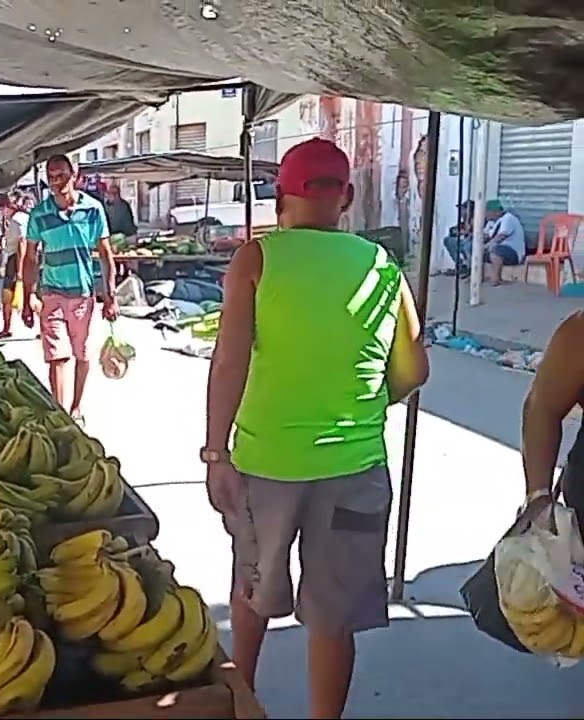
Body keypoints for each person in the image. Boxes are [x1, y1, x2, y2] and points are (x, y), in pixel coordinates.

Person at [203, 138, 429, 719]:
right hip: (355, 468)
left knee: (252, 595)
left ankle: (240, 702)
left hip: (267, 463)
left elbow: (230, 361)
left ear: (282, 195)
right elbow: (412, 370)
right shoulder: (381, 265)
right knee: (332, 617)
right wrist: (364, 399)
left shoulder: (256, 258)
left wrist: (215, 453)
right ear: (347, 197)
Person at [22, 154, 119, 424]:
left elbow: (105, 253)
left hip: (83, 293)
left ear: (74, 174)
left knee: (82, 354)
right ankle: (59, 411)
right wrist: (28, 295)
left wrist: (110, 296)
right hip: (51, 292)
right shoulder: (39, 214)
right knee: (56, 357)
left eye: (61, 176)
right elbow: (30, 258)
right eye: (51, 178)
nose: (56, 182)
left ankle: (76, 406)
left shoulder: (93, 210)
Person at [0, 192, 30, 340]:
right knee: (11, 295)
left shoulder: (17, 220)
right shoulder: (20, 218)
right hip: (15, 259)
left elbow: (22, 243)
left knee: (12, 294)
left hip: (16, 259)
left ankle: (7, 327)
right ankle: (6, 327)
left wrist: (19, 269)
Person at [482, 198, 526, 286]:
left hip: (513, 253)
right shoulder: (491, 222)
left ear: (496, 212)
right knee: (474, 249)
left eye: (487, 211)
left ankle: (496, 278)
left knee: (497, 250)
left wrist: (487, 246)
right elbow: (485, 235)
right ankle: (474, 275)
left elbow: (501, 237)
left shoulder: (508, 219)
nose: (485, 214)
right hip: (497, 249)